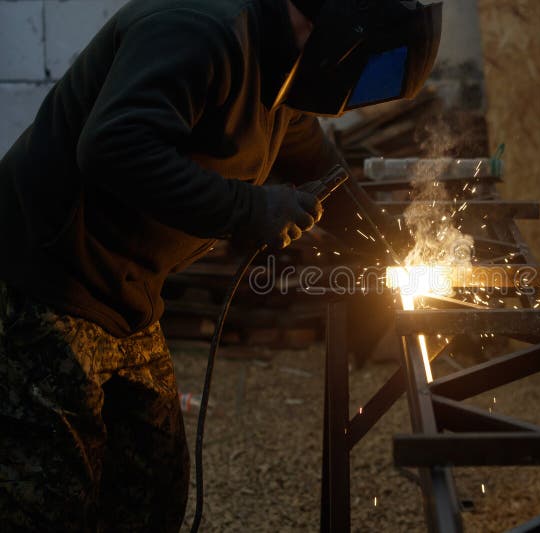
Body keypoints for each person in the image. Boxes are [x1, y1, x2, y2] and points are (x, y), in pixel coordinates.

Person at [0, 0, 441, 529]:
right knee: (51, 500)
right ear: (342, 31)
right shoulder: (201, 30)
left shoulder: (286, 67)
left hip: (126, 293)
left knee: (150, 484)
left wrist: (389, 242)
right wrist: (249, 209)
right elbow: (112, 145)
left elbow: (315, 162)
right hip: (42, 283)